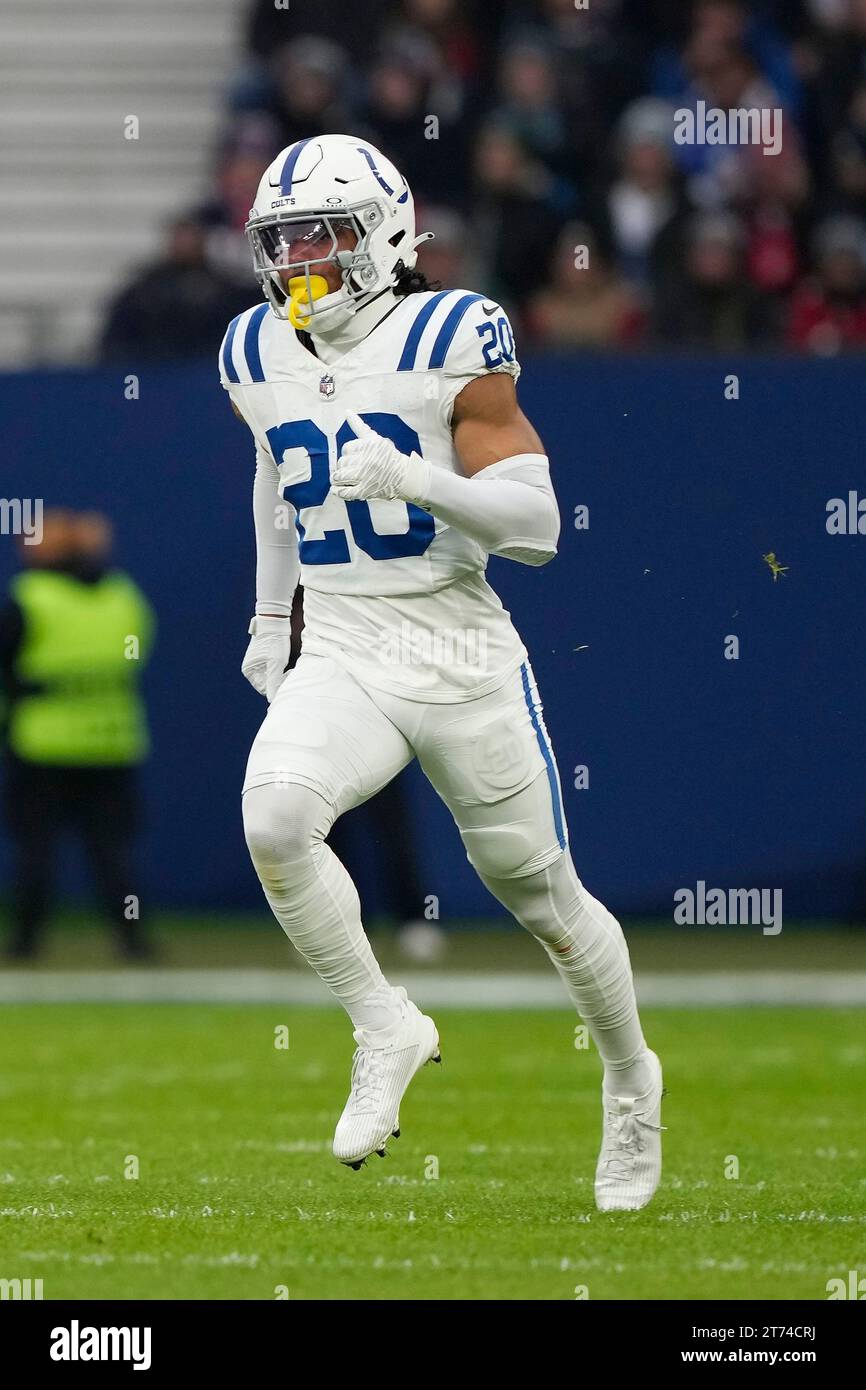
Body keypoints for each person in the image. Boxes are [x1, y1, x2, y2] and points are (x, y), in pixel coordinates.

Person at [220, 134, 663, 1209]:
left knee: (539, 892)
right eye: (280, 242)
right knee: (275, 820)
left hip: (456, 642)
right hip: (346, 641)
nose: (299, 262)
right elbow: (276, 476)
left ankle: (628, 1077)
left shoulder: (451, 329)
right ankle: (384, 1022)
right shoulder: (253, 349)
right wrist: (271, 613)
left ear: (381, 233)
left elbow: (537, 526)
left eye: (320, 236)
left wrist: (420, 478)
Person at [0, 511, 155, 960]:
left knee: (35, 853)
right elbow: (138, 653)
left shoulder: (30, 598)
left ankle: (25, 946)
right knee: (113, 854)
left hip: (41, 745)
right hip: (112, 742)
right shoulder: (123, 597)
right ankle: (134, 944)